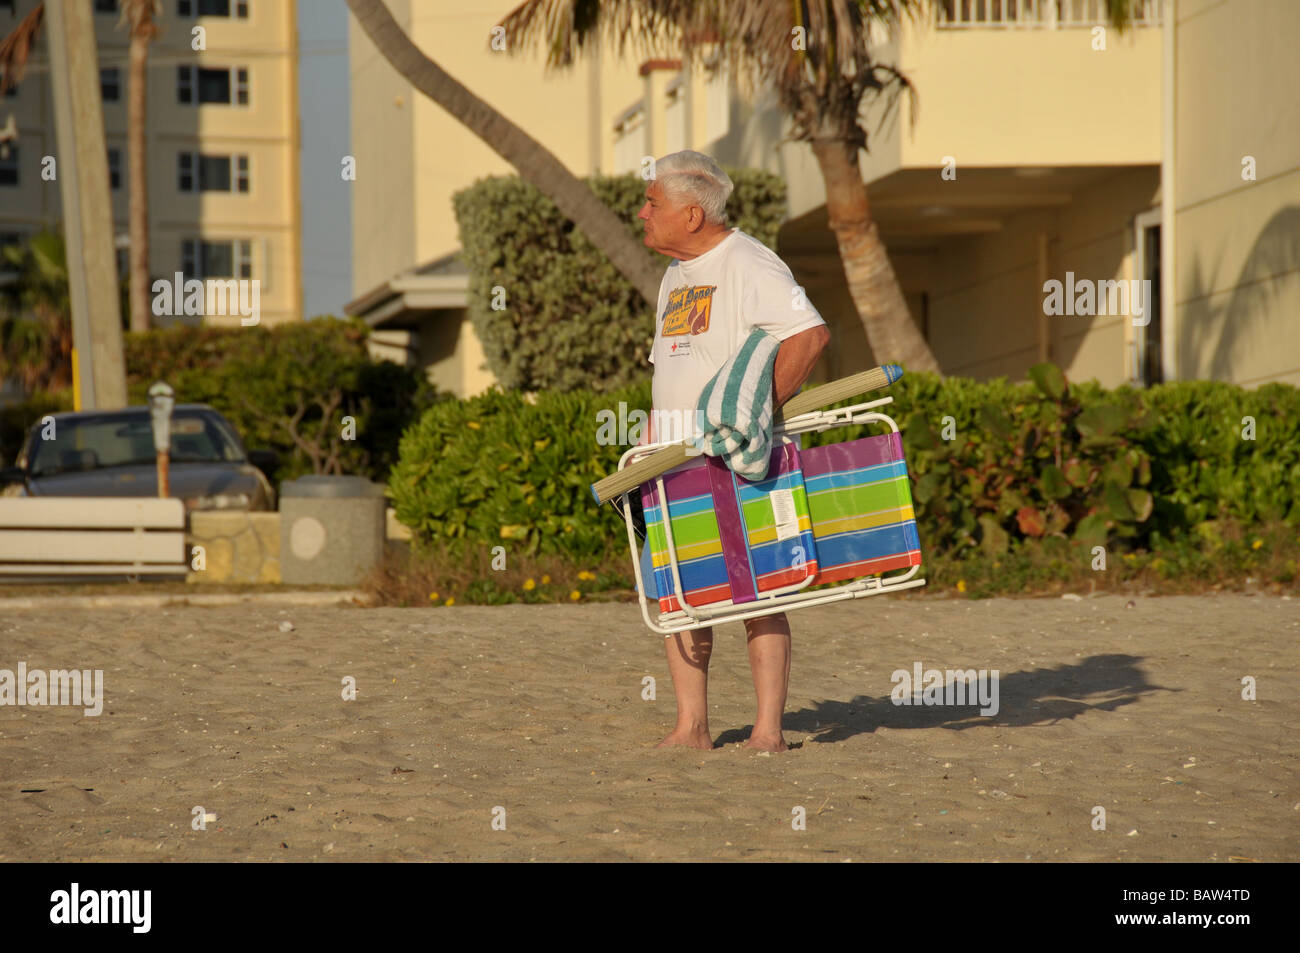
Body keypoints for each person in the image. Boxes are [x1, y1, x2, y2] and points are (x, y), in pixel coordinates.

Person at [637, 150, 830, 752]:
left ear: (691, 214)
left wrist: (754, 415)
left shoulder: (749, 262)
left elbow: (811, 334)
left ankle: (768, 730)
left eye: (652, 204)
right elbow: (671, 366)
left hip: (738, 459)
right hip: (673, 460)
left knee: (759, 590)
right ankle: (692, 725)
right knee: (677, 592)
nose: (642, 213)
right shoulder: (675, 274)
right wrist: (649, 436)